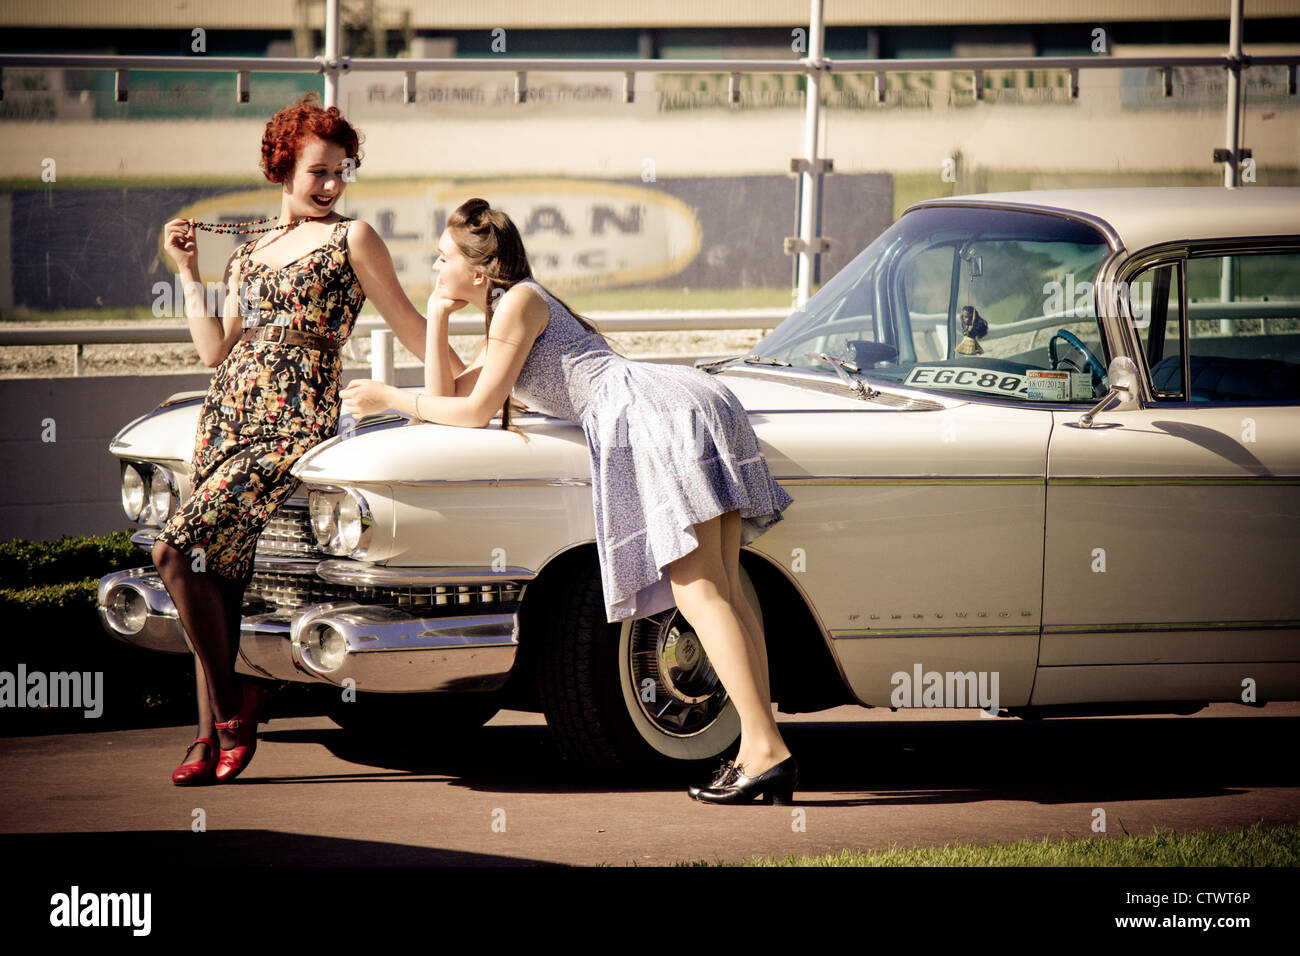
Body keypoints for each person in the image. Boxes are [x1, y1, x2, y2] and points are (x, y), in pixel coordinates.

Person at [341, 198, 797, 804]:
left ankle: (764, 750)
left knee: (703, 591)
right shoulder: (510, 309)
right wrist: (436, 316)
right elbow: (449, 396)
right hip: (670, 406)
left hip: (650, 413)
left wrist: (388, 398)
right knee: (723, 590)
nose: (435, 264)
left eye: (443, 257)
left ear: (480, 271)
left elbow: (472, 414)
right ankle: (763, 750)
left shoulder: (518, 303)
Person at [154, 93, 429, 785]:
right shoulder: (247, 252)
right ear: (284, 169)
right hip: (228, 411)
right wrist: (186, 273)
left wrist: (481, 380)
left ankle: (233, 708)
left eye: (342, 172)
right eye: (319, 172)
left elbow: (412, 329)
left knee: (173, 550)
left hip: (291, 415)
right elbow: (215, 350)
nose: (332, 185)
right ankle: (209, 731)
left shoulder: (352, 239)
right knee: (219, 568)